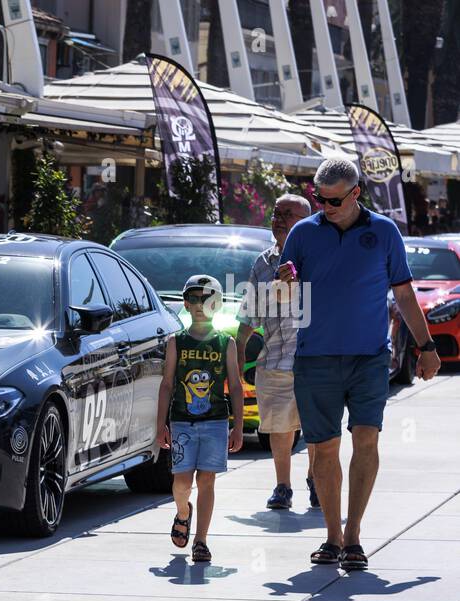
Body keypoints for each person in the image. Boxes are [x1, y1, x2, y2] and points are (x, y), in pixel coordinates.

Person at [277, 158, 442, 571]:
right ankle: (332, 536)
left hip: (368, 356)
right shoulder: (302, 233)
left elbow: (403, 295)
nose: (324, 205)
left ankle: (353, 537)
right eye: (318, 197)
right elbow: (281, 299)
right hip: (315, 357)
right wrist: (283, 286)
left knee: (366, 437)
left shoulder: (384, 232)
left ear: (355, 194)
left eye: (332, 199)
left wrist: (426, 346)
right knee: (324, 448)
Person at [157, 275, 245, 564]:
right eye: (193, 299)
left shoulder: (225, 343)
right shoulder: (176, 342)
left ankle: (201, 541)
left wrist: (238, 426)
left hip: (216, 422)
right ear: (185, 303)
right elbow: (167, 384)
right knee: (182, 484)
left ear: (217, 304)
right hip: (182, 422)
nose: (199, 305)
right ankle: (183, 512)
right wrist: (161, 425)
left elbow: (234, 385)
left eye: (206, 299)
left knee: (207, 480)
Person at [237, 194, 316, 511]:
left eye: (288, 213)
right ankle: (283, 486)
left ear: (307, 220)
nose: (279, 218)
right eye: (276, 212)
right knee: (280, 427)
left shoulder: (318, 256)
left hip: (315, 358)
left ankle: (316, 479)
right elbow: (249, 313)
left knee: (315, 427)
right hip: (275, 358)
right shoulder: (264, 262)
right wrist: (240, 348)